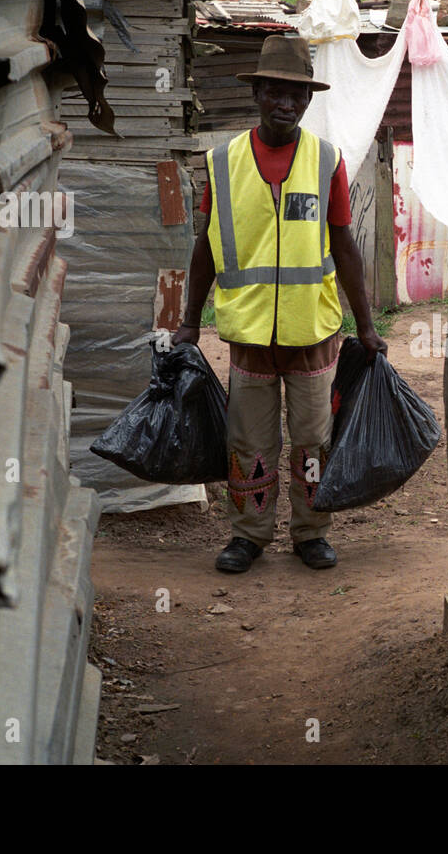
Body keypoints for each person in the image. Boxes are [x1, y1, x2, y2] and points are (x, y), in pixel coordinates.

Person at [173, 35, 386, 574]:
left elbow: (344, 244)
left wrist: (366, 325)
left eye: (297, 95)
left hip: (311, 333)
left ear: (308, 101)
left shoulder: (326, 161)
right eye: (276, 92)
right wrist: (188, 323)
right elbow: (205, 247)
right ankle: (248, 535)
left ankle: (311, 532)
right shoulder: (222, 163)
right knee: (248, 444)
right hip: (248, 335)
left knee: (313, 443)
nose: (286, 104)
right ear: (258, 93)